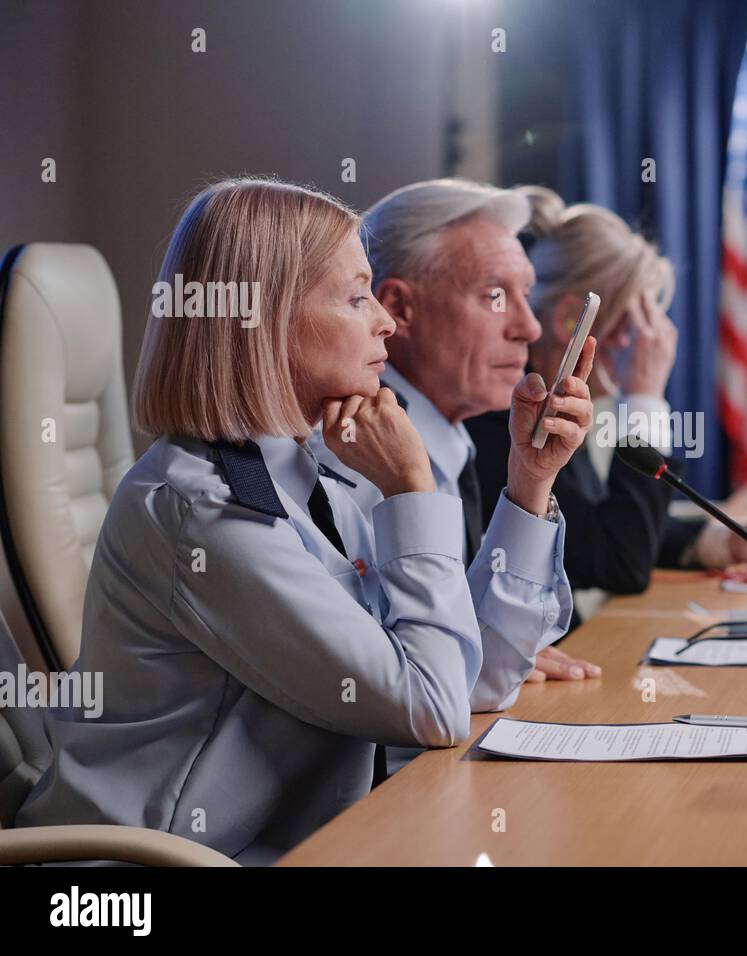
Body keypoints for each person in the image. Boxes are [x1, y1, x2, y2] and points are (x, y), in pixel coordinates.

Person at [16, 177, 590, 864]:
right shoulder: (208, 511)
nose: (384, 321)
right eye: (355, 296)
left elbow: (472, 678)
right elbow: (433, 709)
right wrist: (413, 487)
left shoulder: (313, 476)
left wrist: (530, 485)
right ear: (263, 320)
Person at [465, 186, 747, 628]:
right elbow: (621, 559)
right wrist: (645, 399)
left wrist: (724, 541)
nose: (636, 340)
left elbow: (602, 528)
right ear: (568, 321)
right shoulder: (499, 417)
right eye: (628, 319)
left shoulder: (557, 400)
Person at [310, 178, 603, 682]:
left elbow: (485, 664)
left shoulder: (451, 437)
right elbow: (427, 688)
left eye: (526, 295)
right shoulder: (351, 457)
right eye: (495, 296)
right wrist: (493, 661)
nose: (529, 327)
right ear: (399, 309)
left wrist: (530, 483)